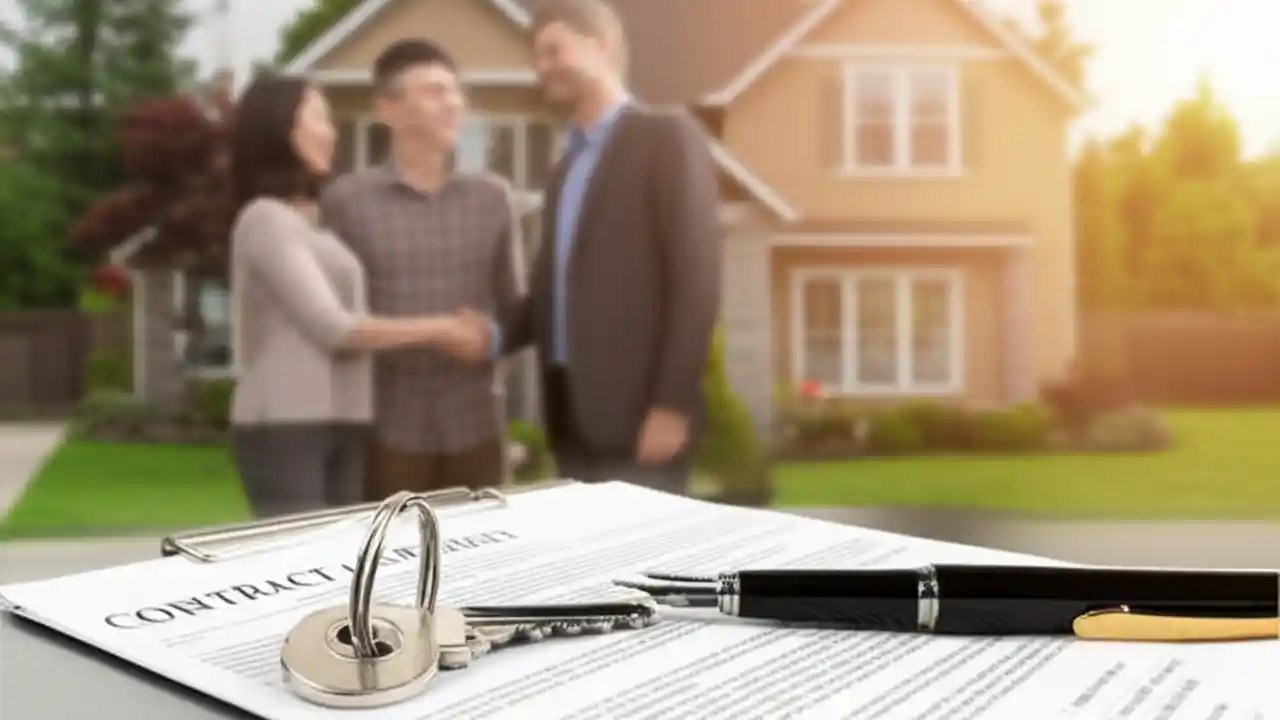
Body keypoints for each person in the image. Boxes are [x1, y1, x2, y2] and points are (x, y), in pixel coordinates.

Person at [490, 0, 723, 493]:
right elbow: (551, 290)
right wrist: (491, 337)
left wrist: (672, 403)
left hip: (640, 418)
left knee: (646, 544)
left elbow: (697, 280)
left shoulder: (665, 137)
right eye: (537, 56)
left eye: (554, 51)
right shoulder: (565, 169)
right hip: (569, 413)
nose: (543, 67)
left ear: (602, 46)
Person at [227, 75, 483, 518]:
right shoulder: (265, 220)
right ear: (280, 129)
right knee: (304, 554)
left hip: (344, 421)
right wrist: (444, 328)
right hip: (285, 424)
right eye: (318, 118)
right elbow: (335, 328)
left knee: (344, 555)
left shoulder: (311, 225)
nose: (331, 133)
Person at [319, 40, 522, 499]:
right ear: (388, 109)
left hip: (477, 426)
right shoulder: (347, 202)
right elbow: (332, 322)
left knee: (484, 546)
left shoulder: (493, 199)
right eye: (434, 92)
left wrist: (490, 339)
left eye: (455, 91)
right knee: (393, 546)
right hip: (387, 431)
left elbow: (516, 311)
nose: (453, 103)